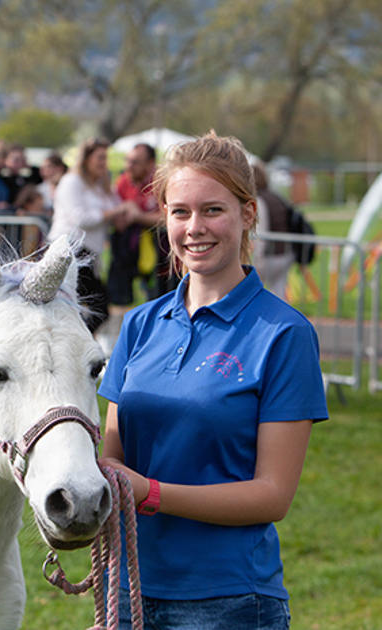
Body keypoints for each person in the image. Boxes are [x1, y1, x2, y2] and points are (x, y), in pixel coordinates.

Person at [98, 132, 328, 630]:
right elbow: (112, 458)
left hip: (228, 601)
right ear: (164, 217)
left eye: (213, 210)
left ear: (248, 213)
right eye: (180, 212)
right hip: (128, 590)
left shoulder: (283, 333)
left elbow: (272, 494)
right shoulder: (139, 324)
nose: (194, 228)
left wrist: (152, 493)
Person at [48, 137, 133, 333]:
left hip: (88, 253)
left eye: (106, 158)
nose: (104, 162)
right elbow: (82, 218)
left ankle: (75, 341)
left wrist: (124, 213)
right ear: (86, 158)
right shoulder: (71, 181)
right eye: (100, 157)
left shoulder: (101, 185)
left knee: (94, 307)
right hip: (68, 250)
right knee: (94, 306)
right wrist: (118, 211)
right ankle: (76, 341)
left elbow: (117, 211)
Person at [109, 143, 172, 307]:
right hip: (131, 250)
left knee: (160, 298)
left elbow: (170, 217)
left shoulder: (162, 182)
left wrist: (139, 216)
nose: (128, 166)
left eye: (135, 162)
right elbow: (116, 215)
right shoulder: (124, 181)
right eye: (127, 160)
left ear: (150, 163)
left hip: (163, 252)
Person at [252, 159, 294, 300]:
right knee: (279, 294)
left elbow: (261, 232)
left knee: (254, 294)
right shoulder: (277, 197)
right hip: (285, 253)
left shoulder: (259, 200)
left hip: (268, 256)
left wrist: (258, 259)